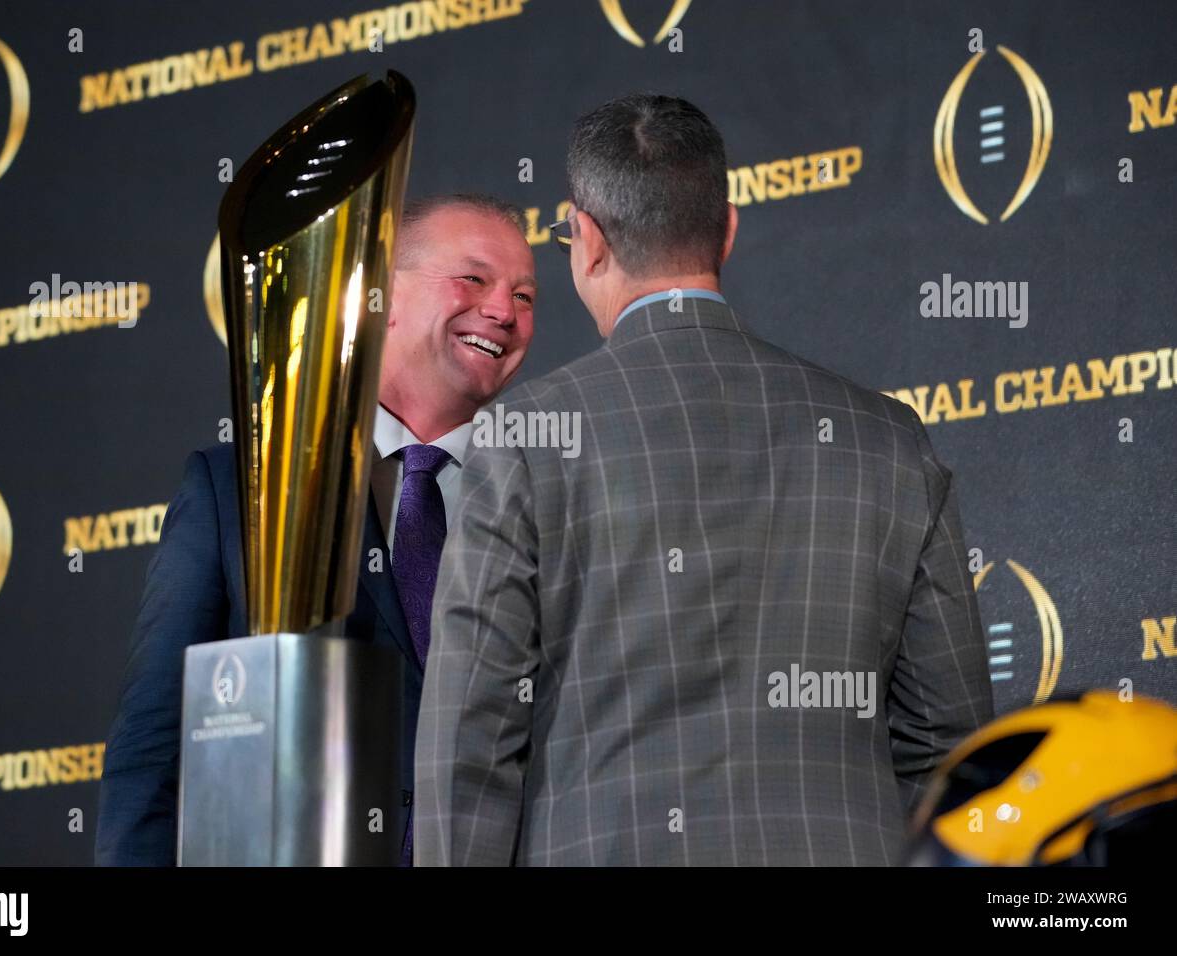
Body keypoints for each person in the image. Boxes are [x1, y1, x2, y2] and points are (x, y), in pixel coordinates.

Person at [415, 95, 993, 866]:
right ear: (726, 231)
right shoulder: (889, 438)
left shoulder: (523, 439)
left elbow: (472, 745)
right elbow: (952, 750)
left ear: (585, 240)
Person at [96, 193, 537, 866]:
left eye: (526, 296)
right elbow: (156, 744)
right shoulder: (237, 489)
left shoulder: (547, 498)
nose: (504, 311)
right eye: (474, 279)